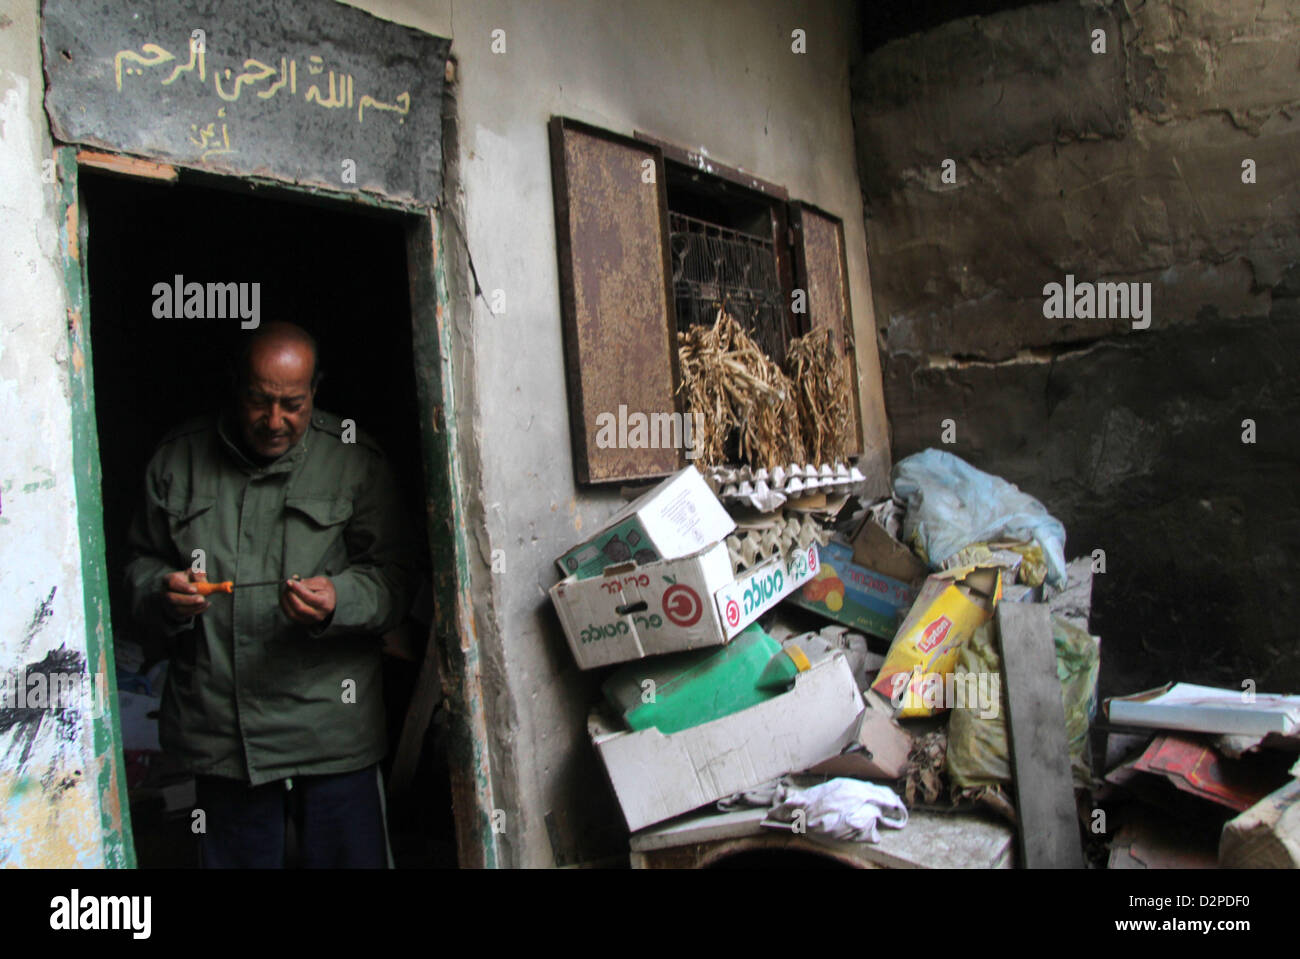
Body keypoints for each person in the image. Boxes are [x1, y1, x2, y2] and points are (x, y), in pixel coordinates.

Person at [125, 321, 415, 868]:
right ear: (235, 385)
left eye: (293, 404)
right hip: (220, 734)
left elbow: (399, 577)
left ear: (316, 391)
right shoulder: (177, 461)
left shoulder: (353, 458)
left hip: (331, 730)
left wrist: (339, 599)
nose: (274, 421)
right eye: (259, 401)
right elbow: (138, 566)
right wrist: (162, 591)